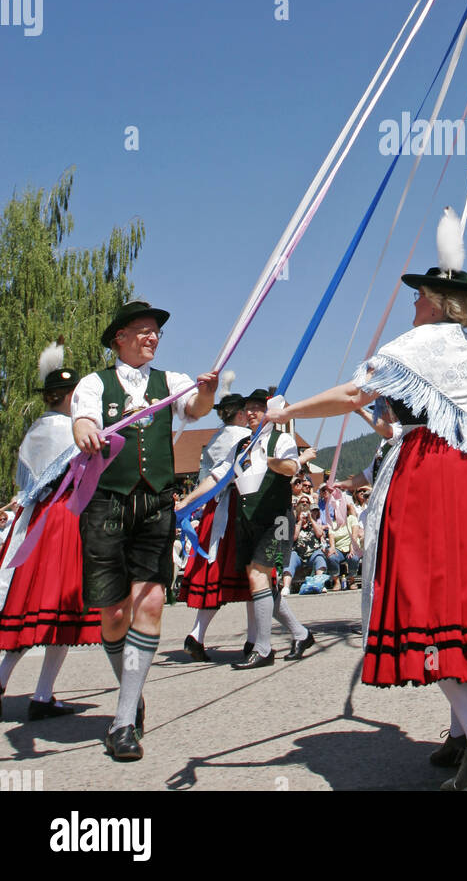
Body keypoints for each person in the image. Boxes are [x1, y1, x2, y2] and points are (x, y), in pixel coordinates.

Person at [270, 209, 467, 791]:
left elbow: (353, 393)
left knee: (424, 602)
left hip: (430, 480)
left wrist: (288, 410)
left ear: (431, 298)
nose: (412, 303)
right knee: (457, 600)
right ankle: (457, 733)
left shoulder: (412, 345)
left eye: (417, 295)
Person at [70, 300, 219, 762]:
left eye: (156, 332)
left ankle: (121, 721)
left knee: (151, 601)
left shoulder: (170, 382)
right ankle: (130, 695)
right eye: (144, 331)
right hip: (107, 502)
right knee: (113, 615)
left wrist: (209, 392)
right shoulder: (95, 383)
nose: (153, 338)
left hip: (156, 500)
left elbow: (194, 408)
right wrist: (84, 432)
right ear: (120, 337)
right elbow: (83, 421)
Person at [178, 390, 314, 665]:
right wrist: (187, 502)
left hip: (276, 519)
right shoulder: (241, 445)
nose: (252, 412)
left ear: (270, 411)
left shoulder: (281, 438)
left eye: (258, 407)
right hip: (247, 519)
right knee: (260, 581)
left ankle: (262, 648)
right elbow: (218, 475)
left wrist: (274, 461)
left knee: (259, 576)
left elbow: (290, 467)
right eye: (249, 408)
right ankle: (299, 634)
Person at [0, 347, 101, 720]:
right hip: (64, 520)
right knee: (62, 608)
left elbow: (23, 484)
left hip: (34, 521)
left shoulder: (35, 431)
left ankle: (10, 682)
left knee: (28, 609)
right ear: (72, 396)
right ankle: (42, 695)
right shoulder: (70, 432)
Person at [178, 392, 254, 661]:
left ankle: (197, 634)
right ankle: (255, 639)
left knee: (217, 573)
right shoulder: (243, 437)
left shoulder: (215, 438)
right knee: (254, 573)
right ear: (241, 413)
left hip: (215, 506)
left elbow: (204, 476)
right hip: (237, 505)